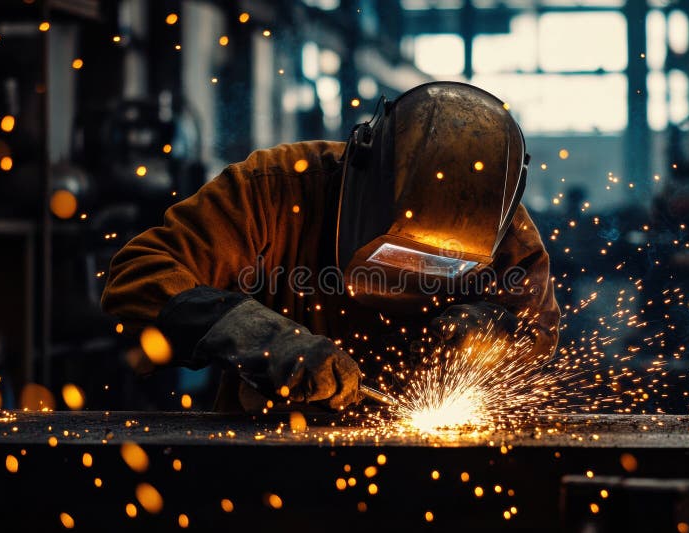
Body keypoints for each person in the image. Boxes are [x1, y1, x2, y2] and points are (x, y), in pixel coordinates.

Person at [101, 81, 560, 412]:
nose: (411, 276)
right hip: (264, 451)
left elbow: (534, 333)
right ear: (360, 173)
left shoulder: (506, 235)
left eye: (439, 264)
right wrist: (261, 338)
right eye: (398, 251)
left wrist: (492, 332)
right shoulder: (273, 190)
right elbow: (138, 275)